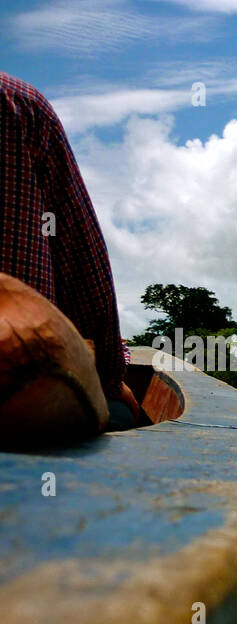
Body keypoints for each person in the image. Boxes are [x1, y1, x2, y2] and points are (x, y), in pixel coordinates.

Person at [0, 71, 139, 436]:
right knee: (120, 414)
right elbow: (83, 266)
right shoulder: (19, 103)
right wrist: (109, 380)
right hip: (18, 397)